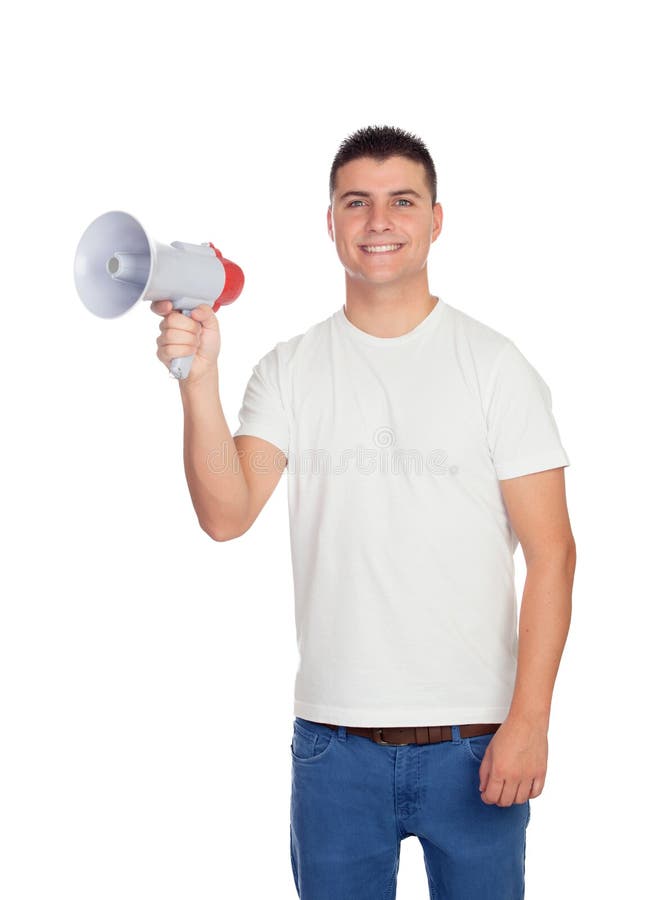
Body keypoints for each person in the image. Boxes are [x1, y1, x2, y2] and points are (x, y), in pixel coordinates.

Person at [152, 125, 576, 900]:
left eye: (400, 201)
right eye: (357, 202)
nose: (378, 220)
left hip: (476, 740)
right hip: (333, 748)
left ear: (435, 220)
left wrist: (529, 723)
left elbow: (552, 555)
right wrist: (198, 381)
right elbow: (226, 512)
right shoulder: (289, 370)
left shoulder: (494, 367)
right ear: (331, 222)